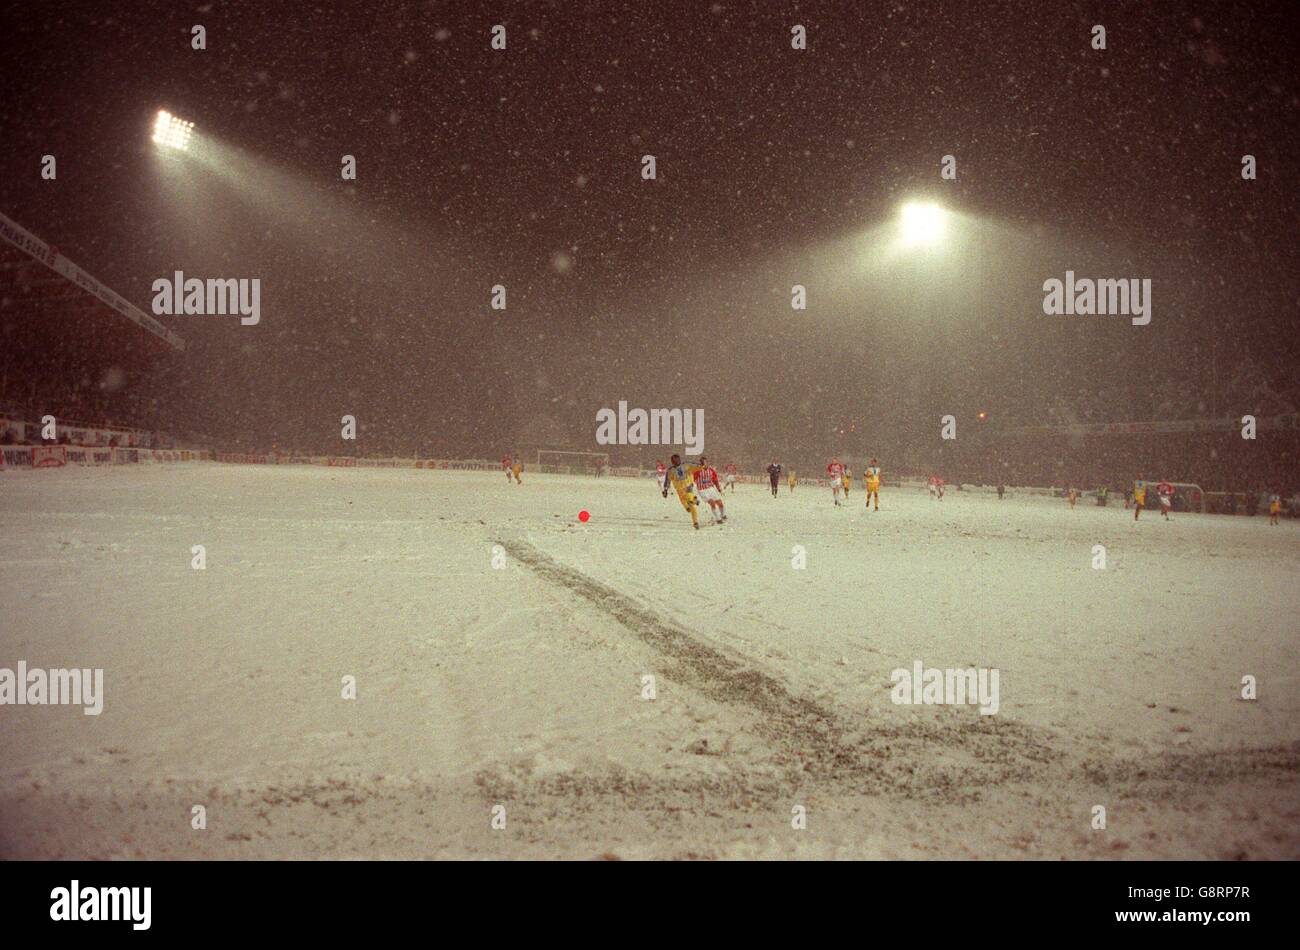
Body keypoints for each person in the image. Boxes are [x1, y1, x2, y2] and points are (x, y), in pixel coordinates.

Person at [663, 453, 701, 529]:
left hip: (688, 486)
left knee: (690, 501)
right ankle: (694, 500)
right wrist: (665, 490)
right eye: (675, 460)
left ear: (680, 459)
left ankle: (695, 522)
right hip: (680, 490)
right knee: (688, 508)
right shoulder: (670, 471)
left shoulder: (686, 465)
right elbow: (667, 481)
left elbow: (697, 467)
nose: (677, 461)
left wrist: (702, 465)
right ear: (672, 462)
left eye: (678, 459)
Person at [693, 455, 727, 524]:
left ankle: (723, 515)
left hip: (710, 489)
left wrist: (719, 489)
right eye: (702, 463)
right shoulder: (697, 471)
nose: (704, 464)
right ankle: (718, 519)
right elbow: (691, 481)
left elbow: (715, 480)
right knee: (712, 503)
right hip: (702, 490)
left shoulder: (711, 470)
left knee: (720, 503)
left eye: (705, 462)